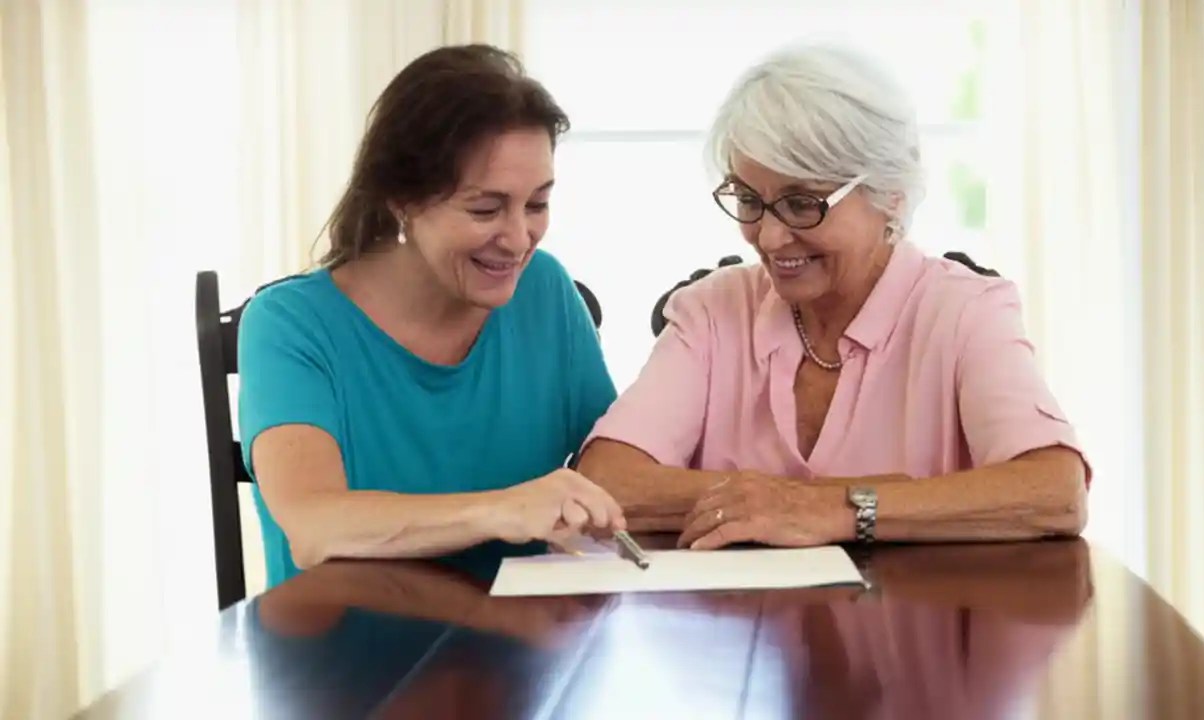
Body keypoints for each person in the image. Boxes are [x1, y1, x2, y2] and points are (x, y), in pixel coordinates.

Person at [575, 44, 1089, 550]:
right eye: (750, 201)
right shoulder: (712, 310)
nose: (770, 238)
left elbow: (1054, 492)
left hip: (917, 626)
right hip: (731, 628)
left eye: (803, 204)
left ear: (890, 193)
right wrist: (853, 500)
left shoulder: (964, 312)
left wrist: (829, 510)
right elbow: (607, 482)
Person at [237, 44, 625, 588]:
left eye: (537, 204)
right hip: (349, 659)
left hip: (521, 653)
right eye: (485, 209)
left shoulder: (547, 291)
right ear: (402, 200)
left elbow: (617, 472)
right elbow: (313, 525)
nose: (519, 239)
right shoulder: (290, 325)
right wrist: (499, 511)